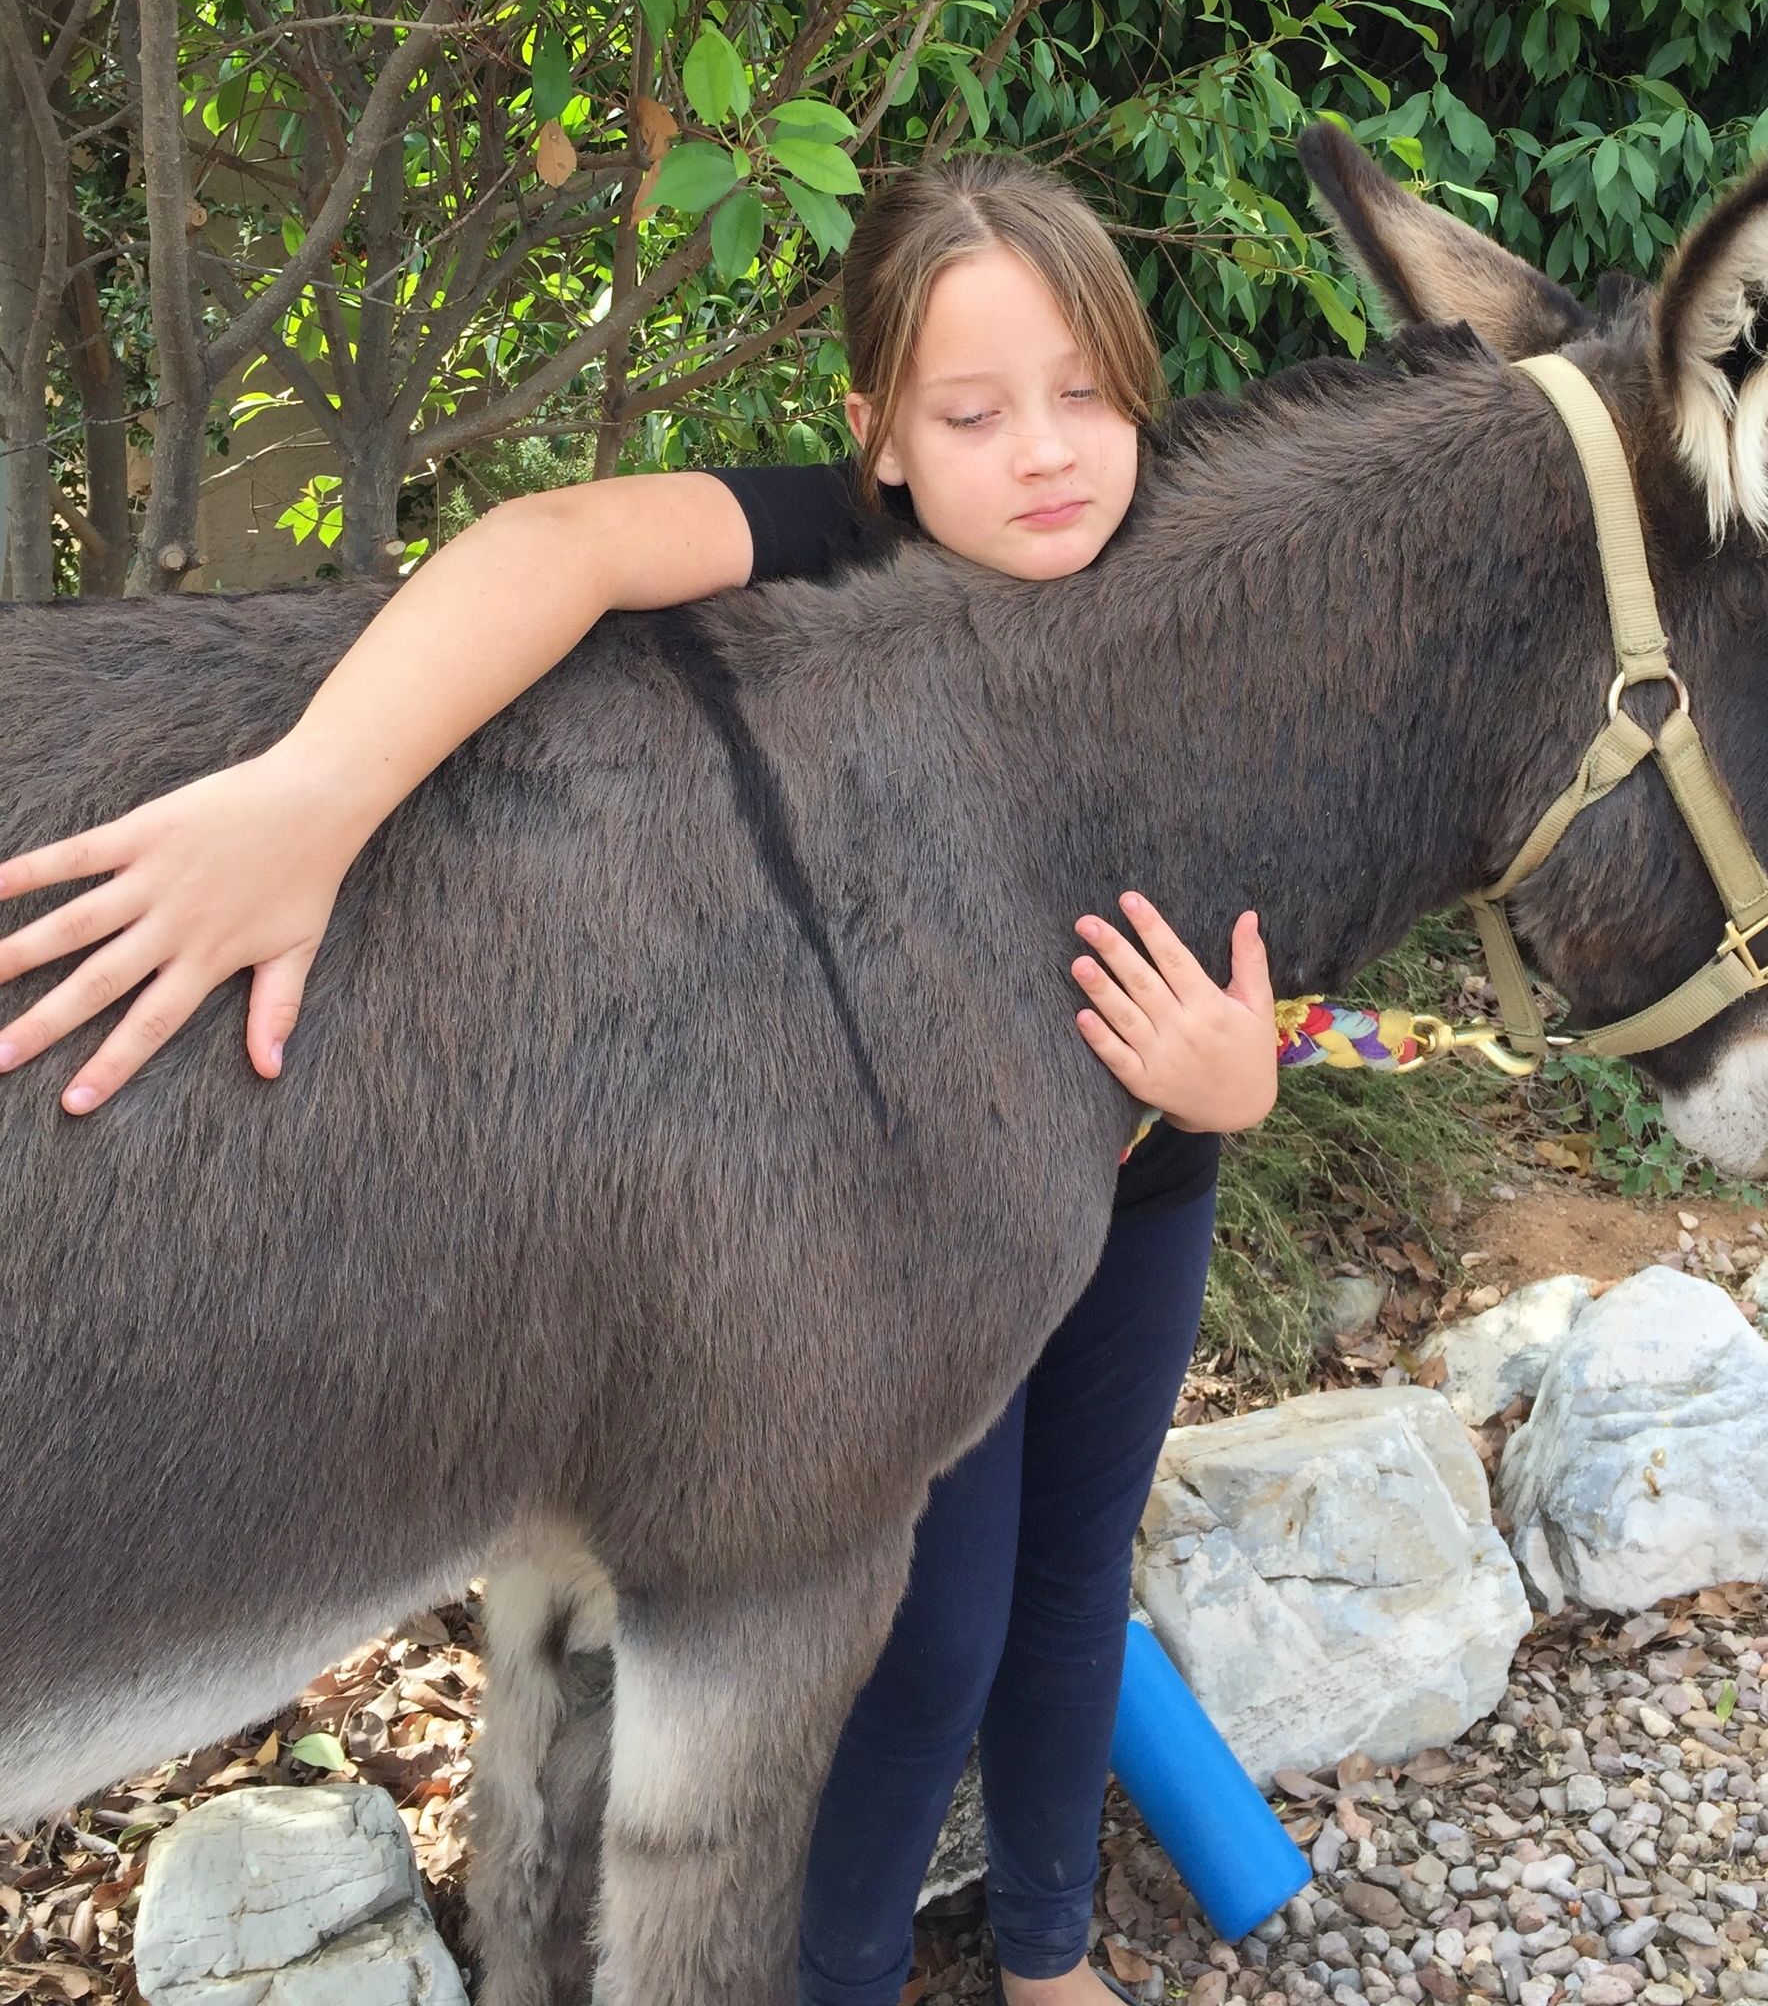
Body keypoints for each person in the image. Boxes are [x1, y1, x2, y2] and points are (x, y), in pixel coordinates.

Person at [0, 154, 1281, 2006]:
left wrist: (1249, 1078)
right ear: (884, 440)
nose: (1050, 452)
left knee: (1081, 1585)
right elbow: (561, 544)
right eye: (979, 411)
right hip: (911, 1229)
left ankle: (1049, 1944)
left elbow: (1268, 920)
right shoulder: (843, 554)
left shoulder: (1179, 600)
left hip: (1147, 1183)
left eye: (1089, 395)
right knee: (933, 1636)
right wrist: (318, 792)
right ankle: (838, 1968)